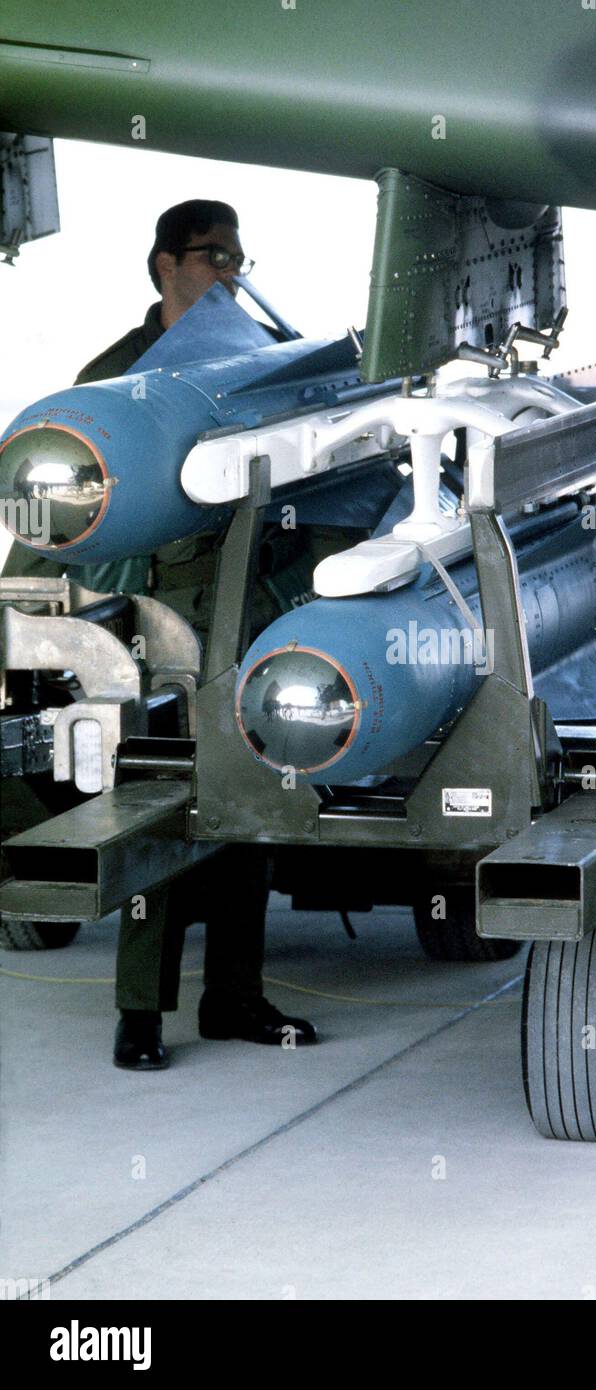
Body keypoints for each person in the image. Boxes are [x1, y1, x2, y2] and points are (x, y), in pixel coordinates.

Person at [2, 200, 316, 1067]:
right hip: (138, 633)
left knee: (243, 814)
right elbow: (62, 499)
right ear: (165, 265)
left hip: (232, 620)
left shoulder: (254, 364)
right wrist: (19, 614)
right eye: (213, 256)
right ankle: (140, 1015)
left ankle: (234, 998)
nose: (229, 272)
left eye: (238, 258)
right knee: (153, 815)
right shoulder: (111, 378)